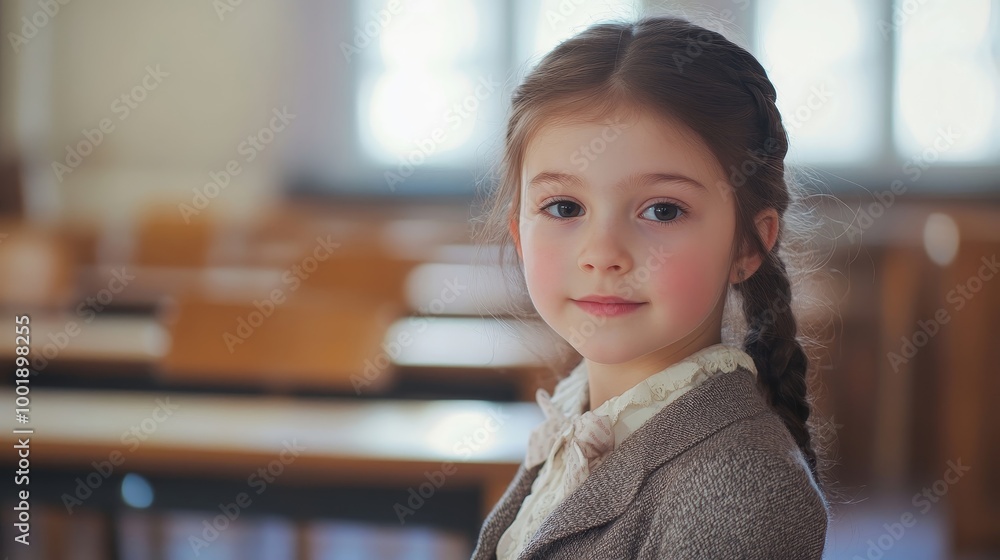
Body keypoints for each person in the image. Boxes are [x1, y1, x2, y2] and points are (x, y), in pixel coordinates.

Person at [470, 14, 831, 559]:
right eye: (564, 207)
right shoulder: (576, 422)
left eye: (662, 210)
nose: (603, 254)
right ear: (519, 235)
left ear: (747, 246)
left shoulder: (741, 494)